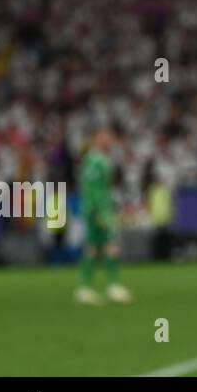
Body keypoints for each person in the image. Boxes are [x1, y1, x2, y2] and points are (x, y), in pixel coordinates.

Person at [74, 128, 133, 305]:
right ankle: (111, 286)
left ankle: (87, 288)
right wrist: (99, 210)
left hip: (99, 208)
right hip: (98, 210)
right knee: (108, 245)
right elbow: (92, 188)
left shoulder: (99, 159)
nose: (110, 140)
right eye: (106, 136)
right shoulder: (95, 160)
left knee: (95, 247)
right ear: (98, 139)